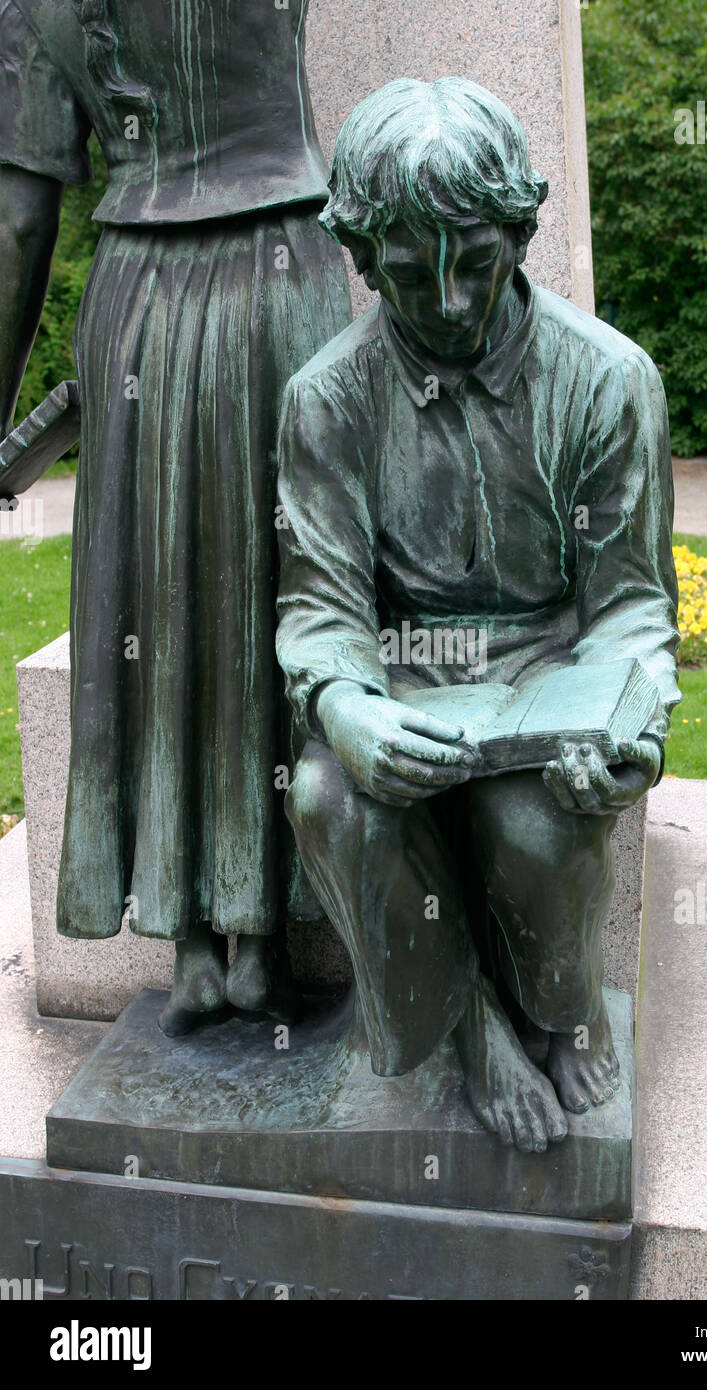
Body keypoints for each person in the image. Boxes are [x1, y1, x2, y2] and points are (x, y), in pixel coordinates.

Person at [275, 78, 681, 1152]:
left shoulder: (606, 382)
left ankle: (561, 1004)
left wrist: (633, 721)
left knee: (535, 819)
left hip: (549, 667)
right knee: (329, 795)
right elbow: (321, 607)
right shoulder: (327, 398)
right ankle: (467, 1032)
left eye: (478, 261)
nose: (449, 300)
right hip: (404, 675)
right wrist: (347, 705)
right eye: (409, 272)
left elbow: (631, 604)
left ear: (519, 234)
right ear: (362, 261)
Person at [0, 0, 352, 1034]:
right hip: (281, 275)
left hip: (140, 299)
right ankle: (270, 939)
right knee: (286, 595)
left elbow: (20, 224)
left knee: (153, 604)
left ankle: (190, 938)